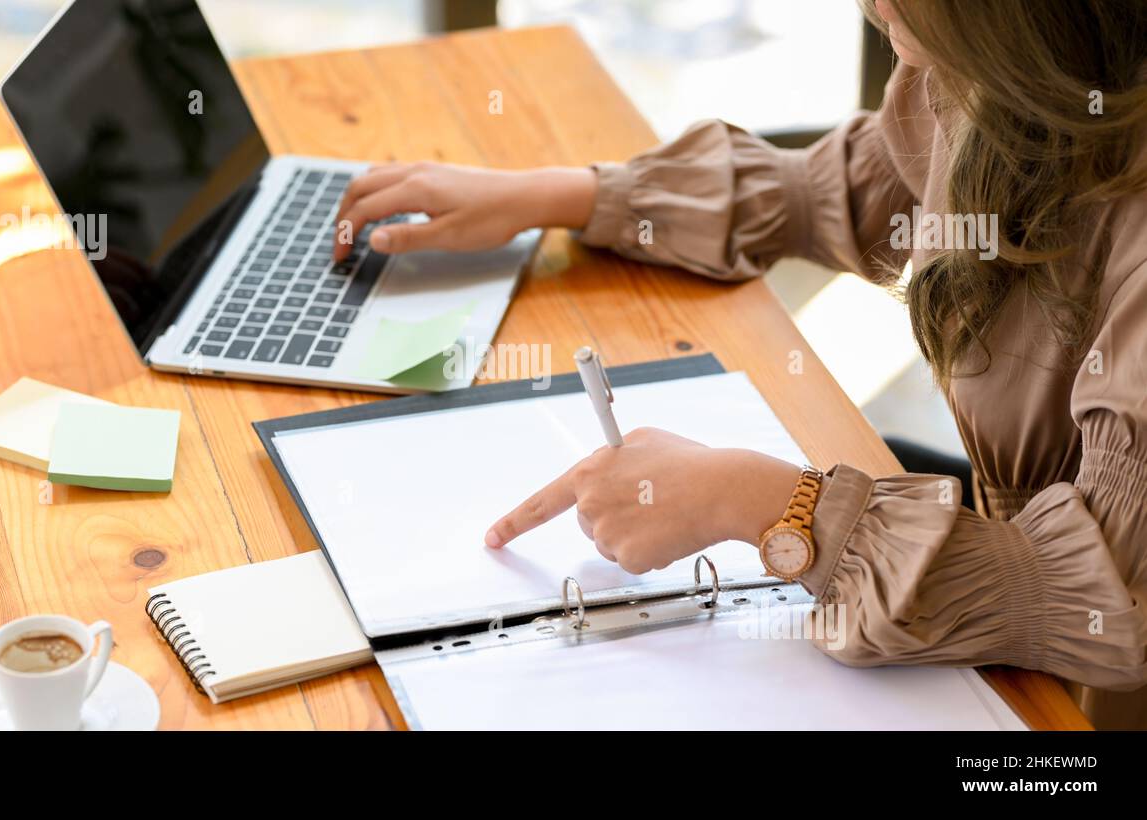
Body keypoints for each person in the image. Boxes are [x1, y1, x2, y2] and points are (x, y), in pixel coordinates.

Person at [334, 0, 1147, 728]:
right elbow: (830, 190)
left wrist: (763, 503)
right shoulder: (995, 75)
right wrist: (562, 196)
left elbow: (1104, 602)